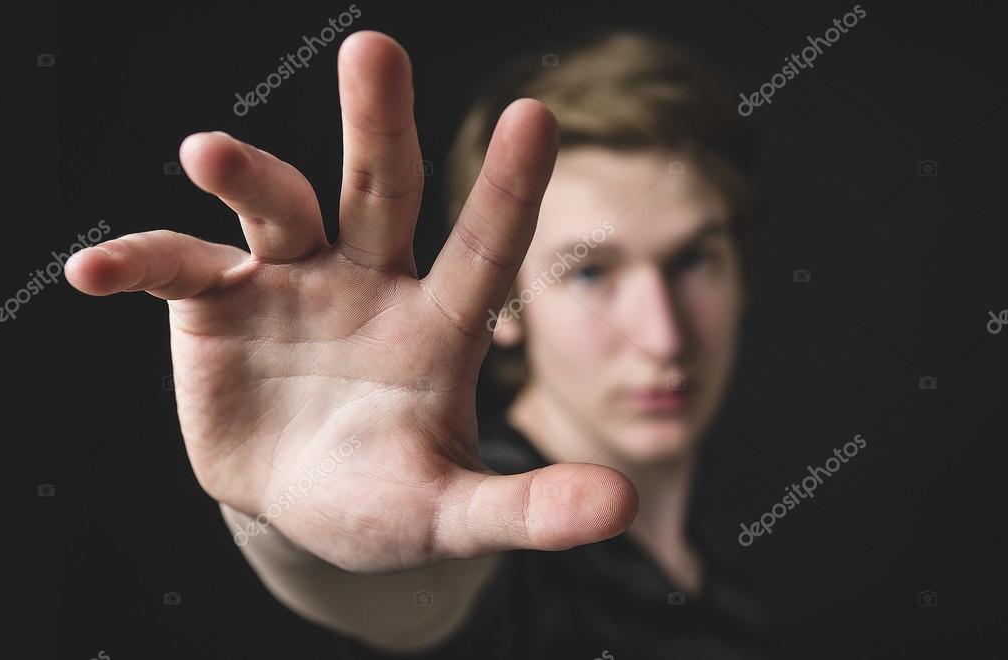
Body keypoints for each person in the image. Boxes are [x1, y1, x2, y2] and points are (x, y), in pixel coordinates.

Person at [67, 27, 771, 658]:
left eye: (691, 260)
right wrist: (301, 520)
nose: (661, 336)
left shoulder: (727, 581)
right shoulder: (486, 511)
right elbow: (418, 586)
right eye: (589, 271)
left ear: (742, 272)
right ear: (505, 301)